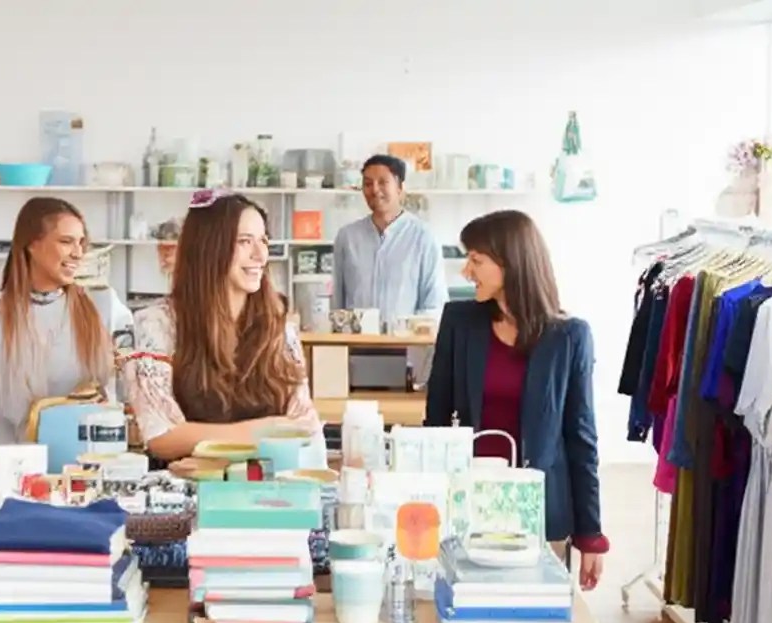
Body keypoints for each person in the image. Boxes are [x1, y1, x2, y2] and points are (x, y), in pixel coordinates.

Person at [0, 197, 130, 551]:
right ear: (31, 245)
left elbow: (126, 394)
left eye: (82, 242)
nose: (78, 252)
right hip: (7, 499)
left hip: (84, 497)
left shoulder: (102, 312)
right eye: (66, 241)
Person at [423, 209, 608, 590]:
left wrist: (590, 535)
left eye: (476, 260)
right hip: (468, 508)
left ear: (511, 264)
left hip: (540, 513)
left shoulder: (570, 337)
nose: (466, 272)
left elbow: (581, 439)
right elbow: (436, 421)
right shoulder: (459, 322)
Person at [124, 189, 325, 462]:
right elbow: (162, 436)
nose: (260, 255)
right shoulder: (157, 325)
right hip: (187, 493)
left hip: (271, 489)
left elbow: (305, 426)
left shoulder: (279, 328)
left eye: (263, 241)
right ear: (209, 247)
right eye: (244, 241)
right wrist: (261, 432)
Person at [331, 154, 448, 323]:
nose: (375, 190)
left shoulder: (423, 237)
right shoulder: (347, 237)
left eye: (383, 182)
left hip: (407, 344)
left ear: (400, 187)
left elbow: (434, 303)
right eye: (368, 184)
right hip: (356, 343)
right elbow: (338, 301)